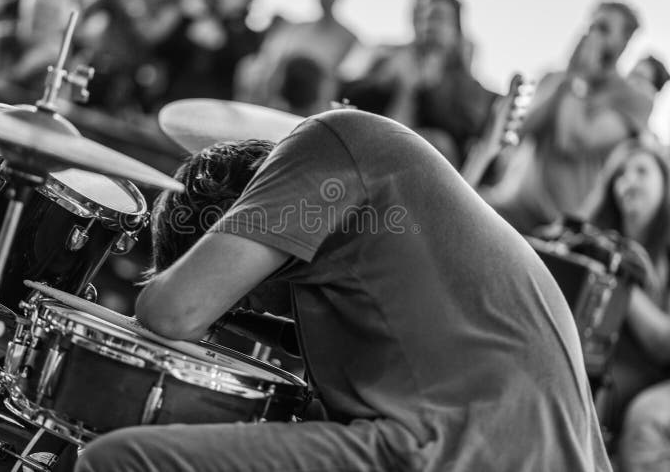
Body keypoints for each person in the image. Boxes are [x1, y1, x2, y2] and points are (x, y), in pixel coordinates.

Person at [75, 108, 610, 471]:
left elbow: (173, 312)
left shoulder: (324, 145)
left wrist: (181, 301)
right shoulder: (389, 195)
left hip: (451, 452)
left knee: (117, 460)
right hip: (530, 450)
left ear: (243, 215)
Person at [483, 1, 653, 234]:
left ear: (625, 42)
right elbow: (519, 131)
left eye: (603, 29)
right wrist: (565, 80)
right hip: (509, 206)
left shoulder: (632, 98)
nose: (592, 35)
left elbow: (572, 141)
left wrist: (578, 82)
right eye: (591, 26)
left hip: (559, 225)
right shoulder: (554, 78)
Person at [572, 138, 670, 471]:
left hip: (645, 374)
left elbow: (663, 344)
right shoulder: (598, 238)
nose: (629, 181)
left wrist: (618, 278)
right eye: (620, 174)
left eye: (642, 171)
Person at [340, 0, 498, 167]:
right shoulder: (390, 58)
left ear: (456, 31)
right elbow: (347, 94)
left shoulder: (466, 86)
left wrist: (428, 87)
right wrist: (382, 82)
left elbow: (467, 133)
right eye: (424, 16)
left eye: (438, 18)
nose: (428, 25)